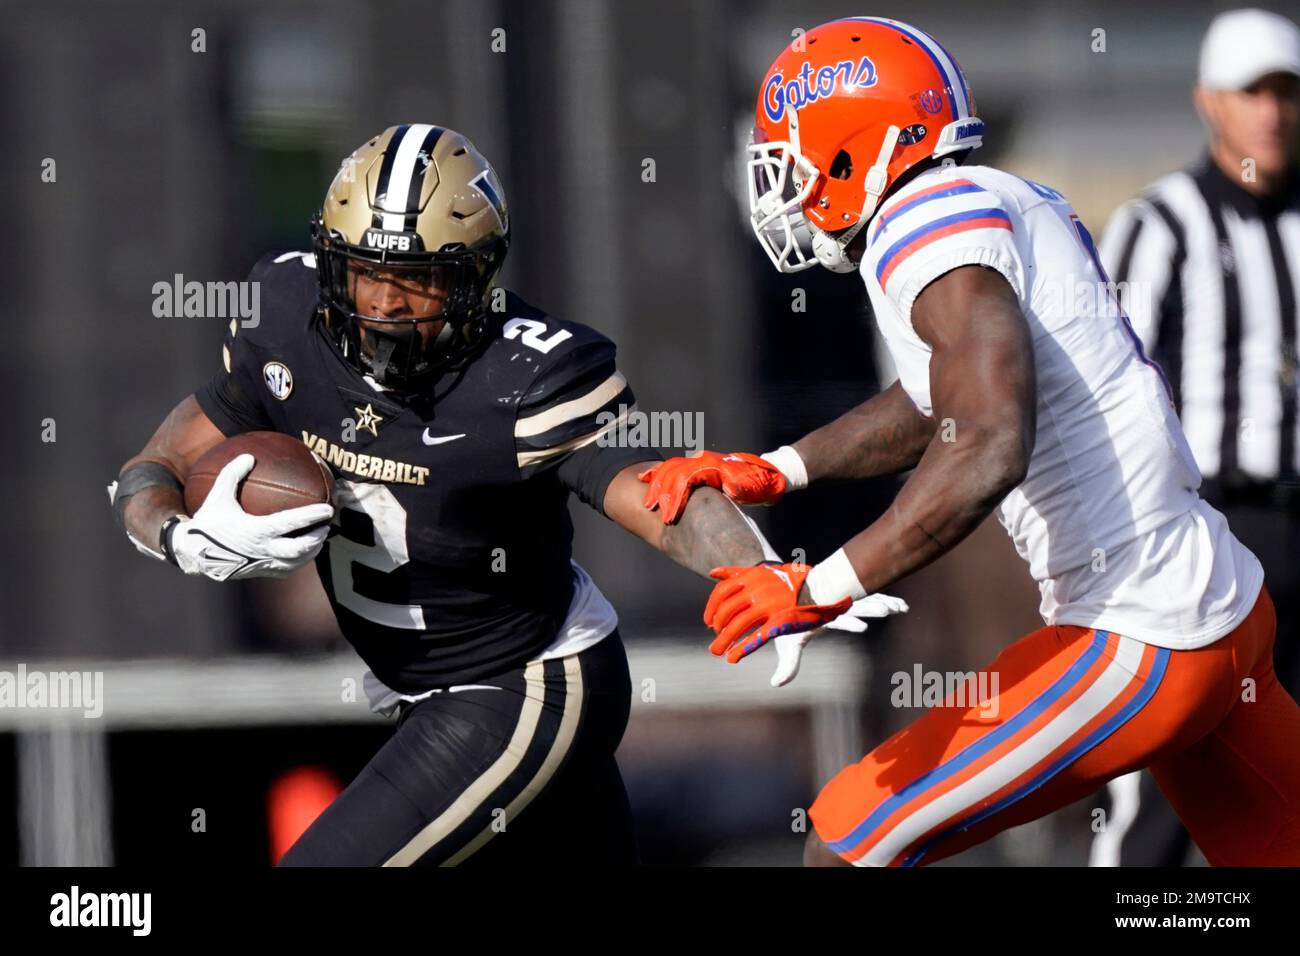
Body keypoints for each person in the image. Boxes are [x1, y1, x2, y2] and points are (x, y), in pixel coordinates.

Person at [108, 125, 891, 865]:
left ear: (475, 280)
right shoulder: (282, 318)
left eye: (414, 282)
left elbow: (659, 493)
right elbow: (156, 466)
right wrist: (177, 534)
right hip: (427, 688)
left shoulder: (525, 376)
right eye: (366, 272)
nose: (382, 304)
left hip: (526, 684)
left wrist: (758, 570)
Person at [641, 17, 1300, 866]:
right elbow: (936, 403)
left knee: (844, 838)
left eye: (796, 158)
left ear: (854, 149)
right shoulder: (986, 200)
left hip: (1141, 633)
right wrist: (779, 469)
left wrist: (824, 584)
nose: (790, 188)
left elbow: (987, 441)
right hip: (1215, 599)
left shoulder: (927, 225)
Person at [1091, 8, 1300, 866]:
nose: (1274, 113)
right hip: (1208, 536)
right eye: (1254, 93)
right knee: (1162, 771)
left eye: (1286, 91)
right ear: (1209, 102)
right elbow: (1105, 381)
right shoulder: (1161, 225)